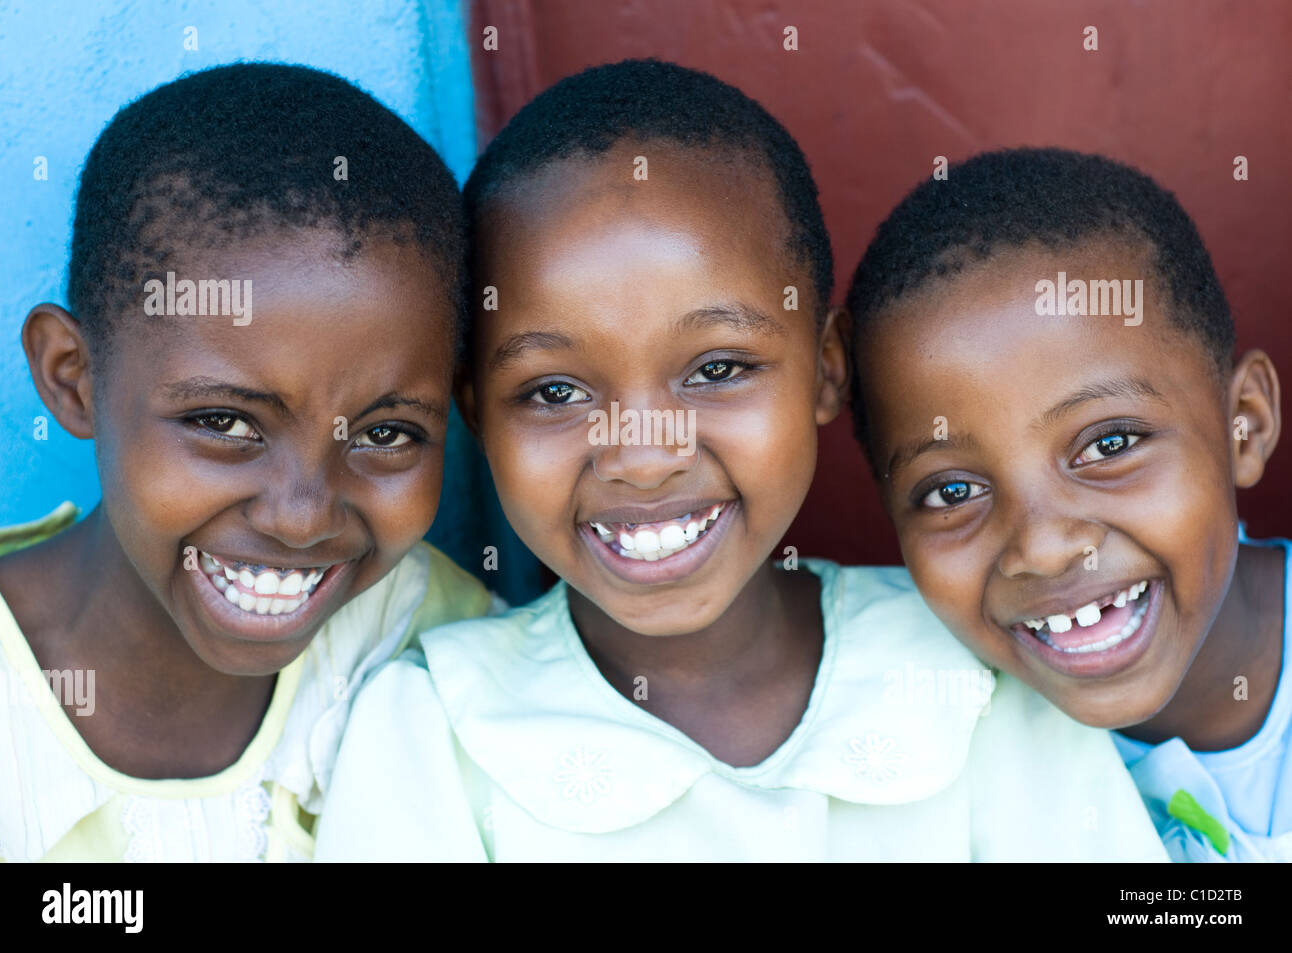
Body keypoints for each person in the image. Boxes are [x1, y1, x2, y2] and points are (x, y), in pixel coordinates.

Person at [315, 63, 1164, 861]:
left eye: (718, 370)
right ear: (476, 414)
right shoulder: (436, 728)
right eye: (554, 391)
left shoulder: (969, 664)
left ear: (828, 368)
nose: (644, 459)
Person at [0, 63, 493, 862]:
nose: (302, 515)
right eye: (224, 421)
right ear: (72, 377)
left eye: (386, 434)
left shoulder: (438, 646)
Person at [845, 146, 1288, 861]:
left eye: (1110, 444)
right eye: (952, 491)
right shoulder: (920, 742)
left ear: (1245, 424)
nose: (1044, 547)